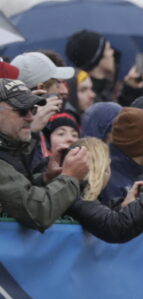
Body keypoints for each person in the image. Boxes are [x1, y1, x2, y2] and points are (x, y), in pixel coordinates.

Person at [0, 79, 88, 229]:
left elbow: (18, 196)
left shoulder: (11, 149)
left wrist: (45, 179)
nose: (31, 117)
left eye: (32, 109)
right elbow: (37, 213)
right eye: (22, 110)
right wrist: (70, 177)